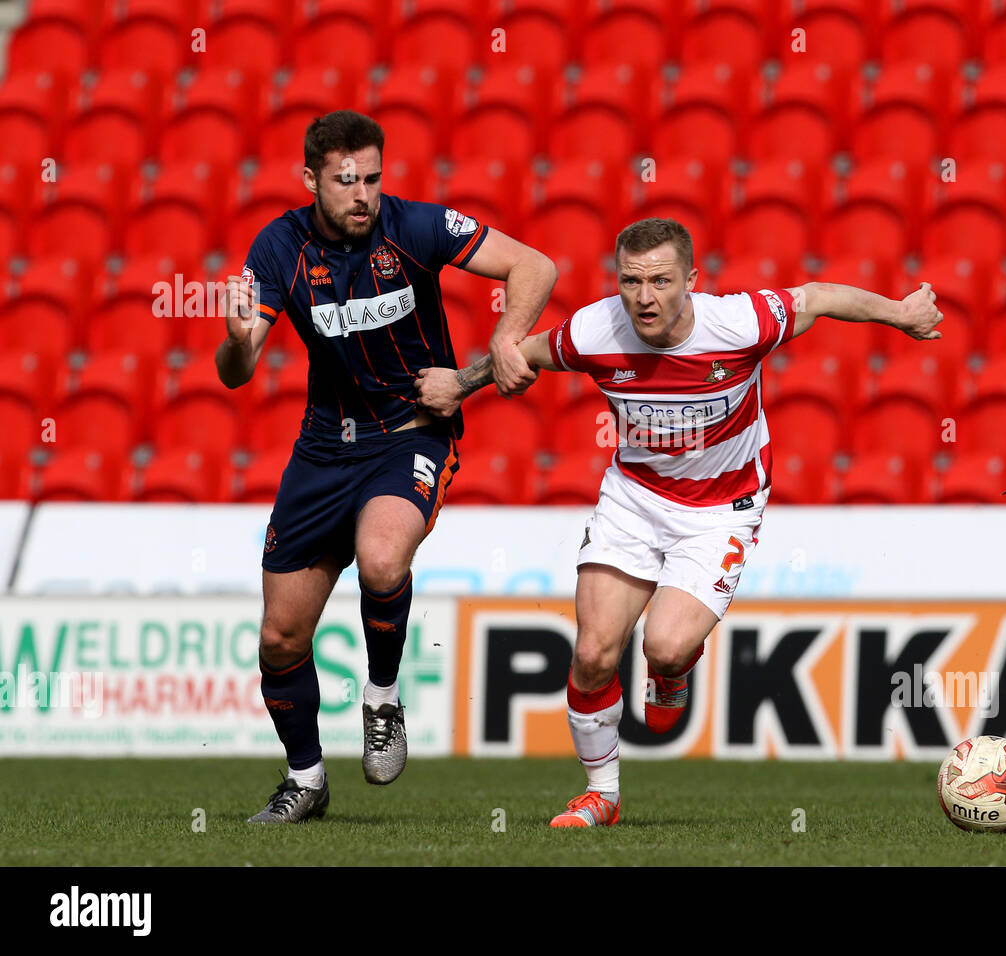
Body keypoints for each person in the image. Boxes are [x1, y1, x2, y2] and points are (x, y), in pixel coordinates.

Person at [414, 217, 942, 827]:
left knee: (663, 647)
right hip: (634, 499)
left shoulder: (739, 324)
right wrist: (466, 381)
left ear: (691, 281)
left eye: (661, 281)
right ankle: (601, 794)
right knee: (591, 653)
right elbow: (526, 353)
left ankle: (670, 674)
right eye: (631, 281)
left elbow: (818, 297)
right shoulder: (595, 330)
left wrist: (900, 314)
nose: (644, 297)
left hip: (721, 510)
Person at [216, 110, 557, 823]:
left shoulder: (417, 226)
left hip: (412, 436)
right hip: (321, 452)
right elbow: (237, 371)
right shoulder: (279, 247)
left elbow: (536, 264)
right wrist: (237, 341)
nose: (363, 193)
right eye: (345, 181)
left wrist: (500, 341)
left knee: (380, 559)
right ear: (310, 179)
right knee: (280, 638)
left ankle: (380, 697)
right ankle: (306, 779)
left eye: (372, 177)